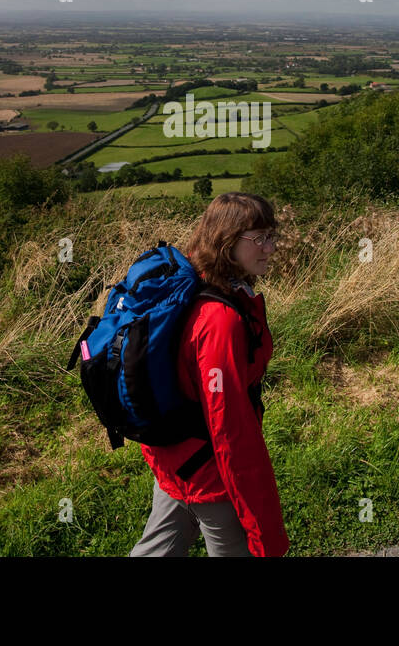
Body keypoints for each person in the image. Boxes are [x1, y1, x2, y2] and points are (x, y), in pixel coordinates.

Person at [129, 192, 290, 557]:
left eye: (272, 235)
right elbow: (228, 425)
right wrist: (260, 520)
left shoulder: (192, 283)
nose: (271, 247)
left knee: (158, 549)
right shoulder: (220, 319)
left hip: (175, 458)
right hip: (209, 473)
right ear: (227, 242)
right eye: (260, 238)